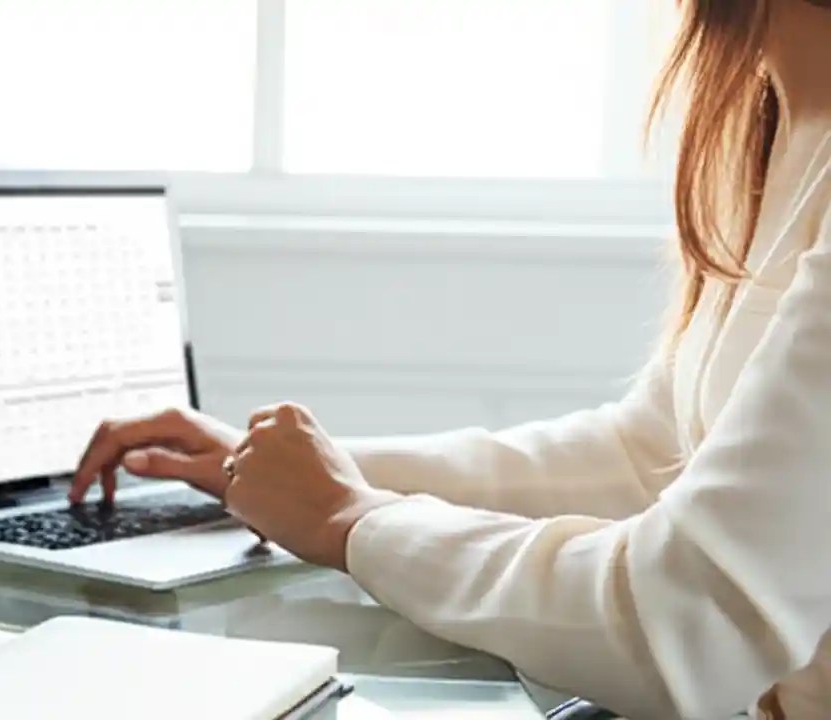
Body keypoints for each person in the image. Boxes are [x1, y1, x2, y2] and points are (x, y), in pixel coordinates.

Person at [69, 1, 831, 717]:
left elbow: (688, 618)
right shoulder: (772, 115)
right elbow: (650, 456)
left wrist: (351, 518)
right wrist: (288, 473)